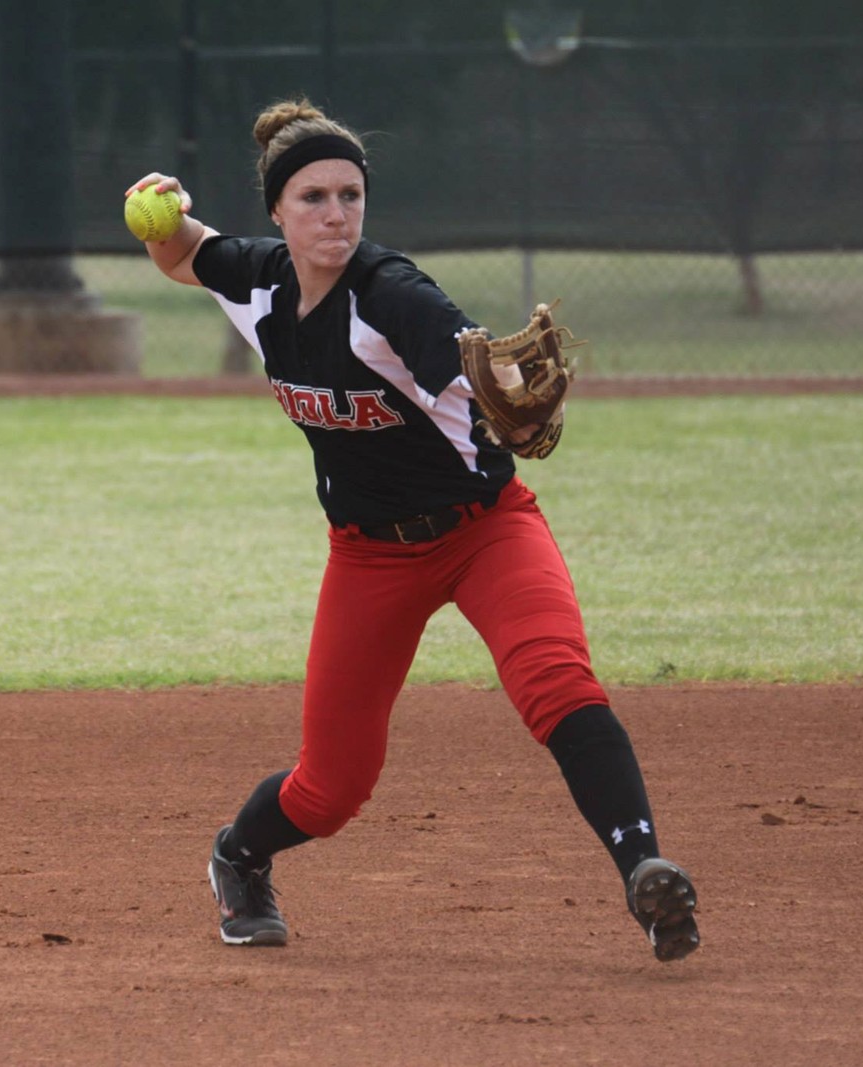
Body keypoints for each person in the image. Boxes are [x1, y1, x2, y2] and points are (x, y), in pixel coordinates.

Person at [127, 98, 699, 963]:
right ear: (277, 210)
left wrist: (502, 377)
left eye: (350, 195)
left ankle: (645, 872)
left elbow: (469, 353)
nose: (335, 215)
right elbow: (183, 253)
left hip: (484, 530)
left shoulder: (392, 295)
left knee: (556, 682)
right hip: (369, 556)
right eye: (313, 196)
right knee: (332, 785)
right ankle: (238, 857)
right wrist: (157, 206)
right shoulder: (258, 280)